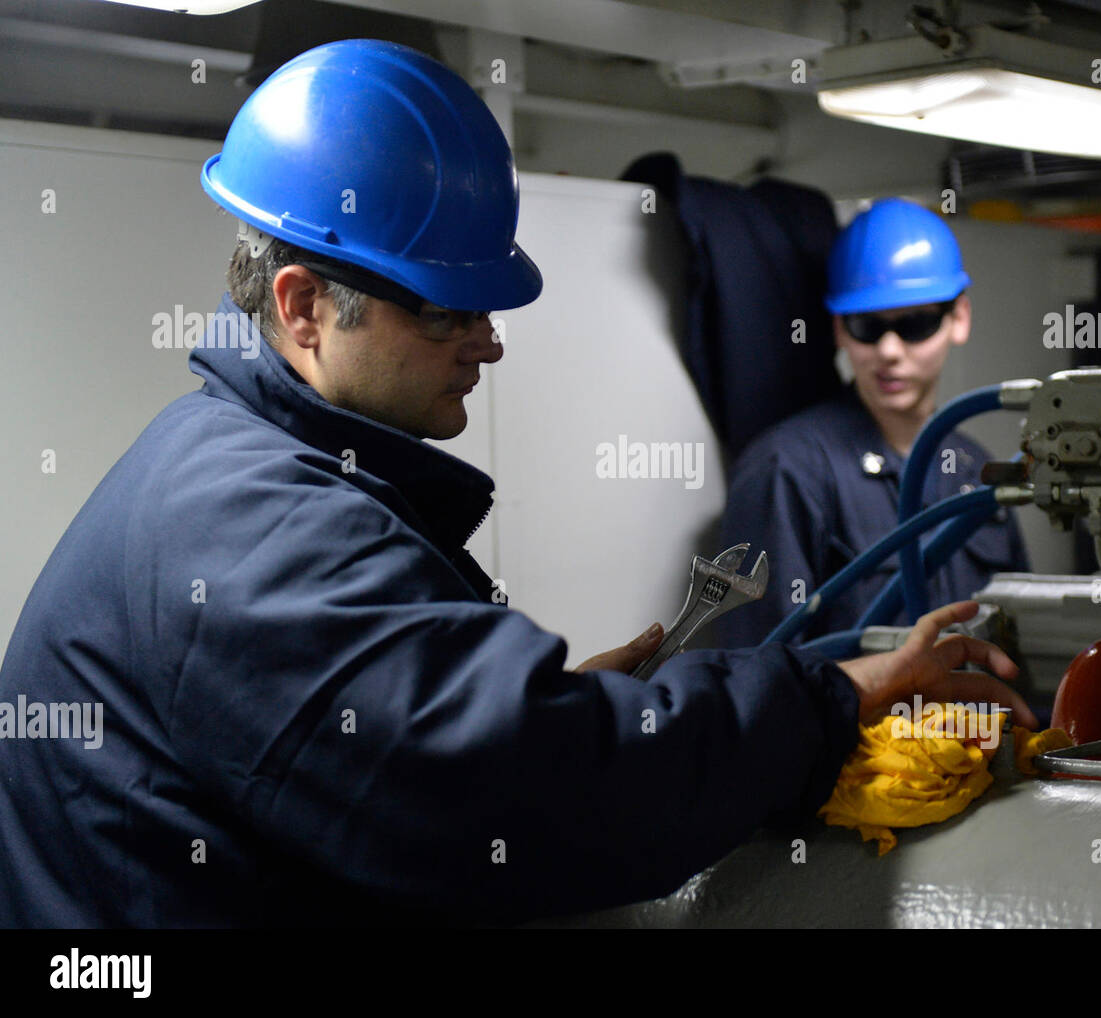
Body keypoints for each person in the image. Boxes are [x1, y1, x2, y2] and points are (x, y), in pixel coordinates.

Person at [0, 41, 1031, 928]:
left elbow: (403, 758)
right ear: (304, 306)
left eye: (487, 308)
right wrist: (832, 697)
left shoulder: (241, 462)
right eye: (445, 312)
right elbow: (512, 793)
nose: (488, 344)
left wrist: (567, 708)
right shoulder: (254, 524)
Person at [716, 198, 1030, 648]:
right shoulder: (788, 469)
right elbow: (759, 670)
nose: (889, 351)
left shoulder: (976, 472)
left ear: (958, 318)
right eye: (866, 326)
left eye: (915, 325)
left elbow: (1019, 637)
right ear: (839, 329)